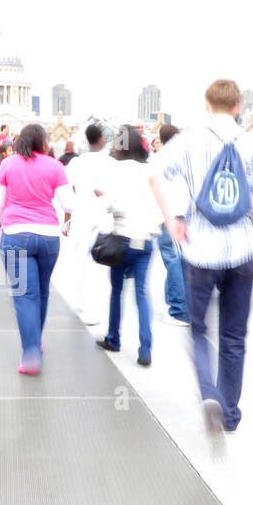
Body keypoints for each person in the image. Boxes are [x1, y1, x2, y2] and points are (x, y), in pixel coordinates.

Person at [161, 79, 253, 434]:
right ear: (238, 107)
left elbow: (158, 178)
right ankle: (229, 412)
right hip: (242, 250)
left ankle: (208, 394)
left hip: (200, 250)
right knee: (234, 337)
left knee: (198, 330)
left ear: (207, 105)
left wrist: (174, 220)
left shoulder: (186, 141)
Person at [0, 123, 73, 375]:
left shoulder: (8, 164)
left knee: (25, 296)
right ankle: (37, 340)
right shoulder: (55, 166)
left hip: (16, 234)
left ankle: (31, 352)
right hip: (48, 237)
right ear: (44, 143)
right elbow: (69, 203)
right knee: (42, 292)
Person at [95, 125, 163, 366]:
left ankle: (114, 338)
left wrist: (102, 197)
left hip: (122, 239)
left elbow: (111, 205)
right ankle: (145, 349)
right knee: (142, 294)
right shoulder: (151, 170)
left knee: (117, 291)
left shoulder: (117, 171)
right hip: (145, 240)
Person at [62, 124, 116, 326]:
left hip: (80, 217)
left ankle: (79, 303)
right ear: (101, 139)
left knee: (80, 263)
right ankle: (92, 310)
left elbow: (68, 191)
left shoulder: (76, 163)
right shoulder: (111, 163)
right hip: (102, 218)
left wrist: (66, 218)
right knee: (98, 266)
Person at [153, 122, 189, 326]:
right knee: (183, 260)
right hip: (187, 214)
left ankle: (179, 310)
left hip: (168, 215)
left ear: (162, 139)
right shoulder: (187, 156)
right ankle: (177, 300)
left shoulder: (159, 158)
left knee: (173, 260)